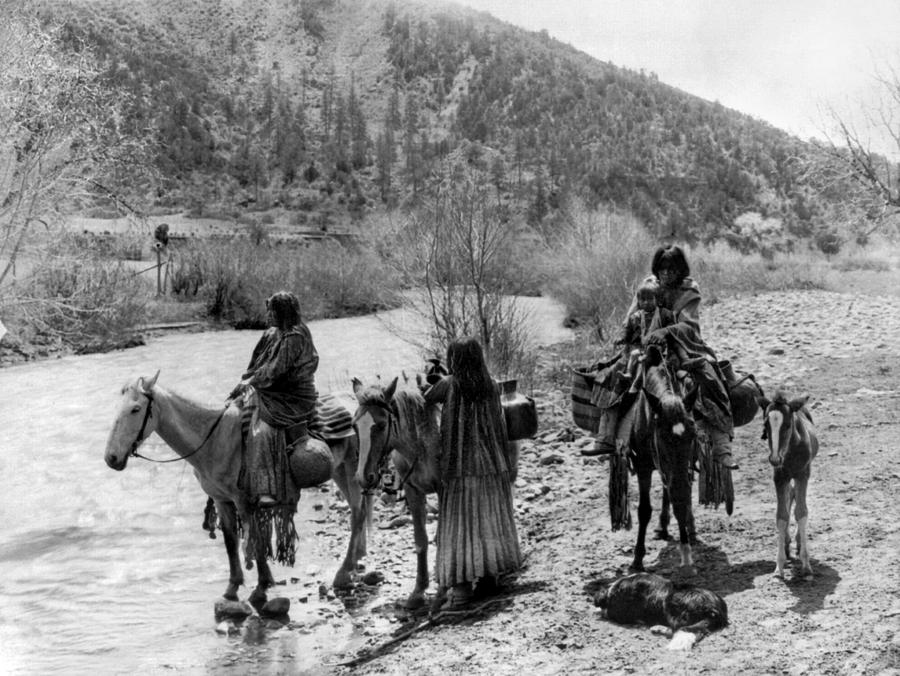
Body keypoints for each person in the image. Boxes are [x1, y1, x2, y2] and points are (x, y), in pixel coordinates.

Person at [591, 245, 737, 470]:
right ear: (656, 270)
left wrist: (666, 332)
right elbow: (631, 316)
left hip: (681, 347)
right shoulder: (648, 286)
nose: (667, 273)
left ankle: (720, 446)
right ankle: (606, 436)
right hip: (643, 346)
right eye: (662, 268)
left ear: (681, 270)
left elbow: (689, 325)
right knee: (612, 376)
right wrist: (630, 334)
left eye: (672, 269)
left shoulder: (689, 291)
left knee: (709, 380)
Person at [423, 336, 522, 610]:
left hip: (461, 467)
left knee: (462, 524)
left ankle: (462, 588)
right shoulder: (490, 385)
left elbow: (426, 400)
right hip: (492, 464)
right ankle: (490, 576)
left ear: (454, 360)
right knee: (489, 521)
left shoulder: (449, 384)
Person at [229, 291, 319, 506]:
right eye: (268, 310)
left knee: (262, 430)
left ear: (283, 312)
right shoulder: (272, 333)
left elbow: (275, 370)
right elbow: (258, 364)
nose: (268, 315)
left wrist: (251, 382)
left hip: (292, 396)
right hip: (272, 389)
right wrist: (246, 380)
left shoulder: (295, 336)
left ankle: (266, 488)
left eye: (272, 311)